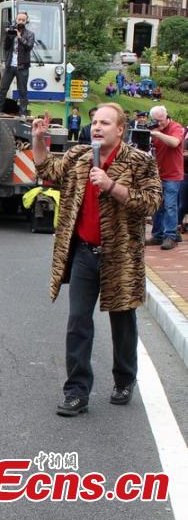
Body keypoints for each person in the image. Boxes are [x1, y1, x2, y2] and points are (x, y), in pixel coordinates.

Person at [32, 103, 161, 416]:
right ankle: (76, 391)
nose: (98, 127)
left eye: (105, 122)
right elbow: (47, 170)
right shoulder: (78, 156)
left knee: (122, 321)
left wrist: (112, 186)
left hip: (121, 257)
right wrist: (38, 140)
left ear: (121, 129)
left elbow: (152, 202)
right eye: (95, 122)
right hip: (84, 254)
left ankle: (124, 379)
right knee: (78, 321)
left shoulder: (140, 161)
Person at [146, 105, 185, 250]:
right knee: (157, 205)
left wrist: (158, 134)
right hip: (158, 173)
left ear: (166, 116)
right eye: (156, 120)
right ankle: (157, 235)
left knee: (170, 206)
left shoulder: (176, 127)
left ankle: (170, 236)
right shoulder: (154, 128)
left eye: (161, 120)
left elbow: (174, 142)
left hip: (173, 174)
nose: (159, 123)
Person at [0, 12, 35, 116]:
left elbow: (29, 47)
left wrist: (19, 37)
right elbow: (6, 47)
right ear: (16, 20)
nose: (21, 21)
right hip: (10, 65)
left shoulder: (30, 34)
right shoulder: (11, 32)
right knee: (3, 88)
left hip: (22, 66)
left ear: (26, 21)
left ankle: (22, 112)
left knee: (22, 91)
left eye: (23, 20)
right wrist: (9, 35)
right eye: (19, 19)